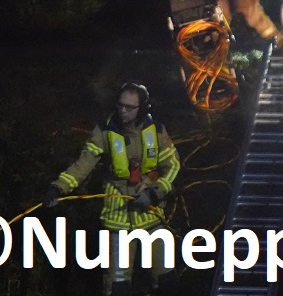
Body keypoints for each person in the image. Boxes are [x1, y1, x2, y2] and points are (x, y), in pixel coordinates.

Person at [43, 83, 180, 296]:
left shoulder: (156, 131)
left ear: (142, 108)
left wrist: (155, 192)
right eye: (120, 105)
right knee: (118, 287)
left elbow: (172, 166)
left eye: (129, 107)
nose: (123, 111)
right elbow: (83, 165)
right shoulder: (105, 132)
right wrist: (58, 188)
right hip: (118, 219)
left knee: (167, 281)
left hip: (150, 215)